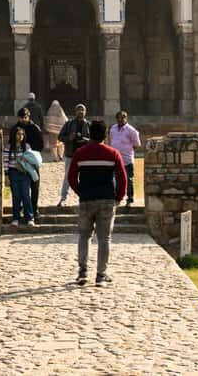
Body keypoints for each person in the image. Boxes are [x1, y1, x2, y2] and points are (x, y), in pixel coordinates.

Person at [68, 119, 127, 286]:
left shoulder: (80, 153)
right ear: (105, 135)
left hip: (87, 200)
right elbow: (122, 178)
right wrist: (118, 197)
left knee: (84, 236)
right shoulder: (112, 153)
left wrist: (81, 192)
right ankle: (101, 275)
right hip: (107, 200)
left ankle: (82, 272)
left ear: (90, 134)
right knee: (104, 238)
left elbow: (72, 177)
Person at [57, 104, 90, 206]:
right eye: (78, 110)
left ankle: (84, 198)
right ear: (75, 112)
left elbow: (93, 140)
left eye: (82, 110)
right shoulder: (69, 124)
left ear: (85, 112)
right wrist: (69, 138)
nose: (80, 112)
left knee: (85, 178)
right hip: (70, 155)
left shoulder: (88, 124)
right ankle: (63, 198)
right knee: (67, 177)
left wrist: (85, 140)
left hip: (83, 155)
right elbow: (60, 136)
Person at [4, 125, 36, 227]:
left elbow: (32, 160)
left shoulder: (26, 147)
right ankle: (16, 218)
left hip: (25, 174)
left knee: (26, 195)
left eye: (22, 134)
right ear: (14, 135)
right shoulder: (9, 147)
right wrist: (6, 176)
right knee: (16, 196)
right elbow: (5, 162)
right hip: (13, 173)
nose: (20, 136)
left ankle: (30, 218)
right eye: (18, 134)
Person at [15, 107, 44, 221]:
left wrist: (30, 153)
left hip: (32, 160)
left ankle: (34, 209)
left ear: (28, 117)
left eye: (25, 117)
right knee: (22, 187)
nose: (23, 120)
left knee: (34, 185)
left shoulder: (34, 128)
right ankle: (24, 209)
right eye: (21, 118)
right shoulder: (16, 128)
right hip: (20, 161)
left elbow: (40, 145)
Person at [109, 110, 141, 206]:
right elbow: (111, 141)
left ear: (126, 118)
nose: (120, 119)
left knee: (129, 180)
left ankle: (130, 199)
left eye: (122, 117)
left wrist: (127, 151)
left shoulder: (131, 130)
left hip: (127, 160)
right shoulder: (113, 129)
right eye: (118, 118)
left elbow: (137, 144)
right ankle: (116, 199)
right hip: (115, 159)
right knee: (114, 180)